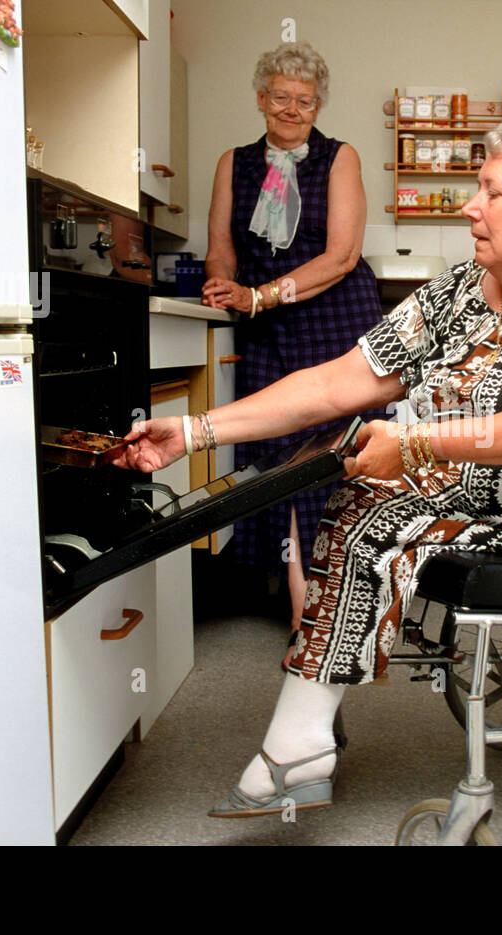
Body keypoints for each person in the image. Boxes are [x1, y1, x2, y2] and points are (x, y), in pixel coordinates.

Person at [116, 113, 502, 819]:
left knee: (384, 493)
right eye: (475, 189)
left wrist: (422, 443)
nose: (471, 205)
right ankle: (309, 719)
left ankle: (302, 739)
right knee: (356, 480)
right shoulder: (461, 291)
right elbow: (337, 382)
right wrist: (194, 430)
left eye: (493, 192)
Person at [200, 41, 386, 637]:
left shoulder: (340, 157)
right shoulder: (234, 162)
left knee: (330, 458)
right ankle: (305, 605)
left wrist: (261, 295)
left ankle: (316, 616)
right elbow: (223, 245)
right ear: (261, 98)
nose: (292, 109)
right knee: (275, 455)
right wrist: (223, 283)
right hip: (268, 328)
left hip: (333, 320)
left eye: (304, 101)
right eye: (281, 97)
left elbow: (341, 256)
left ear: (318, 104)